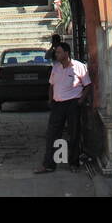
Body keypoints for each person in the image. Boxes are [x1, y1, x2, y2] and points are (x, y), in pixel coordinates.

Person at [34, 42, 92, 173]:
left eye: (59, 52)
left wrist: (80, 101)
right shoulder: (55, 68)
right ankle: (49, 164)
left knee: (74, 134)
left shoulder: (79, 67)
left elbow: (88, 85)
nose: (56, 54)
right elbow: (51, 85)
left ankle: (73, 163)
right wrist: (51, 100)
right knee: (52, 134)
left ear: (66, 53)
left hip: (73, 103)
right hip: (58, 104)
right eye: (56, 52)